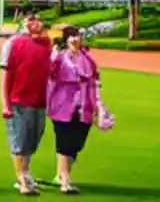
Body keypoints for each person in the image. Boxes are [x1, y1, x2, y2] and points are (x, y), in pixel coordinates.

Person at [0, 12, 52, 196]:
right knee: (19, 142)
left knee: (32, 141)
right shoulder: (13, 44)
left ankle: (26, 173)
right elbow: (4, 75)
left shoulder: (46, 45)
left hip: (39, 101)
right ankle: (21, 179)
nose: (35, 22)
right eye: (31, 19)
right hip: (18, 101)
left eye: (38, 19)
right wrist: (4, 103)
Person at [48, 26, 100, 195]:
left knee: (76, 143)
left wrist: (97, 105)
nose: (75, 39)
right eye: (71, 36)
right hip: (63, 103)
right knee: (64, 141)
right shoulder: (60, 57)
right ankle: (65, 180)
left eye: (77, 36)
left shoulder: (87, 58)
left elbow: (93, 78)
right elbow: (50, 72)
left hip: (84, 104)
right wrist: (54, 54)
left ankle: (61, 175)